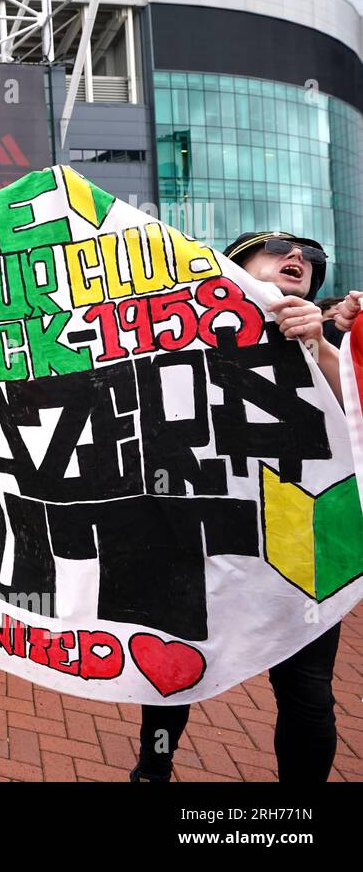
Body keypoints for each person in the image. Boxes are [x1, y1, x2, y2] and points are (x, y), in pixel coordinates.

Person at [132, 231, 348, 782]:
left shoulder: (328, 347)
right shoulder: (176, 332)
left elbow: (357, 416)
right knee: (174, 666)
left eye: (311, 257)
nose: (298, 257)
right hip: (198, 527)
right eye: (278, 247)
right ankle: (152, 771)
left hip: (303, 536)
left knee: (308, 693)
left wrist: (321, 347)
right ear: (234, 266)